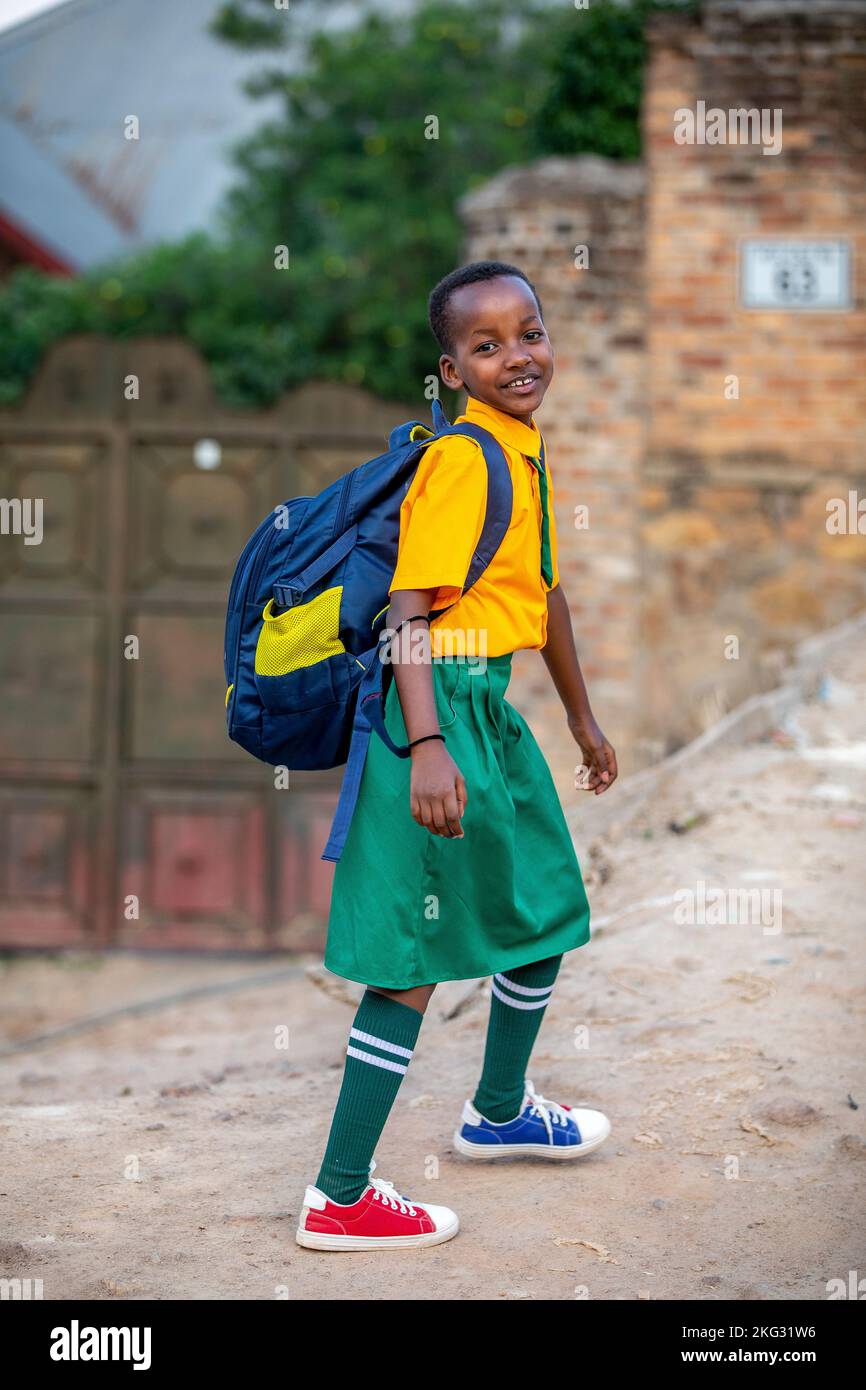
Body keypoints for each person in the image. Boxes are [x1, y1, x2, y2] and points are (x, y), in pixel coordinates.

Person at [296, 260, 618, 1252]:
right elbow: (407, 612)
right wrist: (429, 744)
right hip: (430, 716)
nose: (516, 356)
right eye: (486, 345)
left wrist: (582, 719)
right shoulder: (461, 459)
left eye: (527, 332)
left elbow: (544, 597)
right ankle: (339, 1196)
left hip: (491, 713)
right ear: (452, 367)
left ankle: (497, 1107)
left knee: (543, 907)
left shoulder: (523, 451)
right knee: (408, 960)